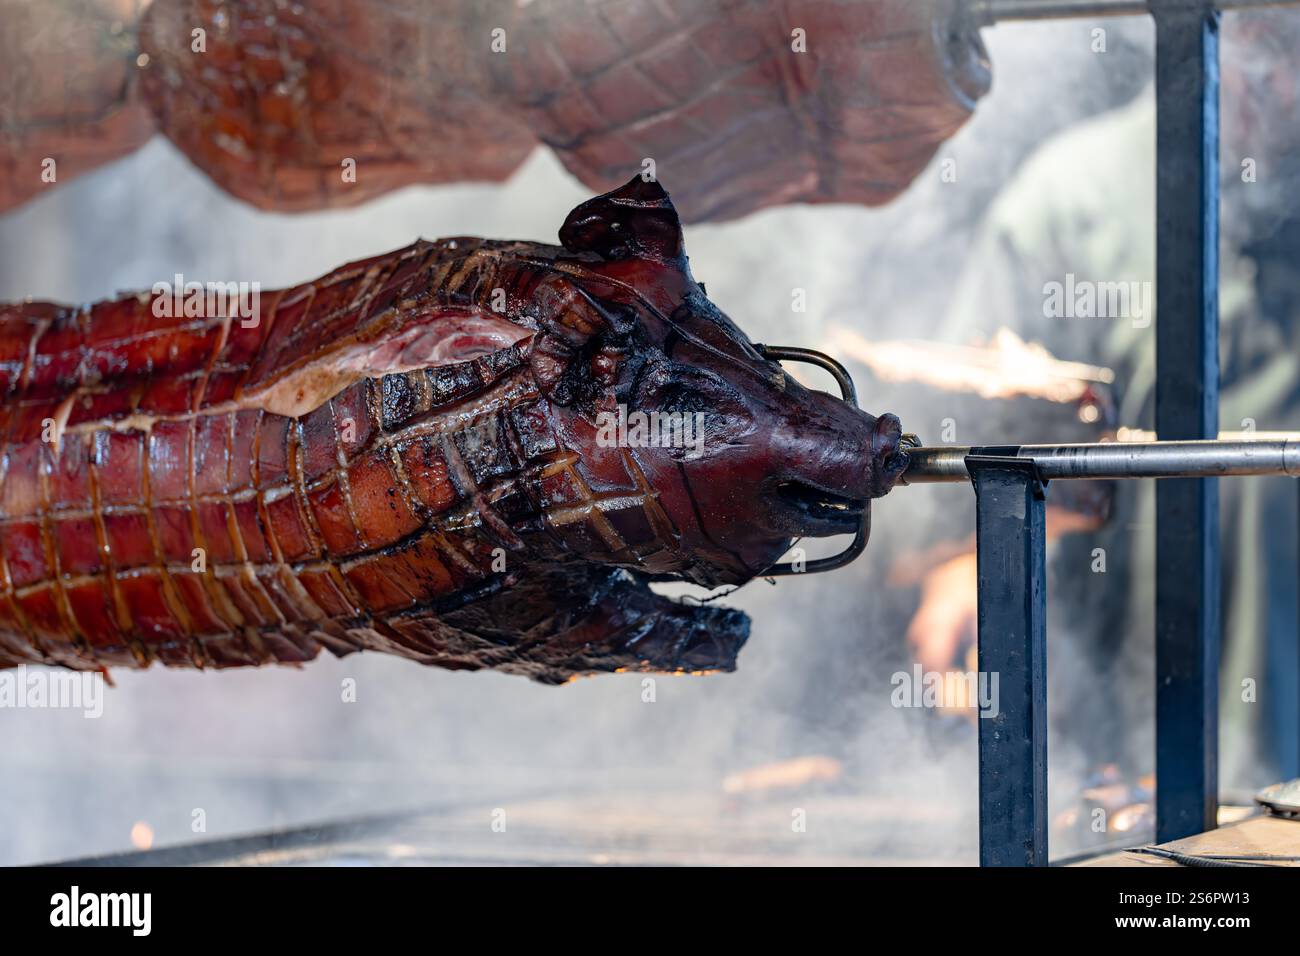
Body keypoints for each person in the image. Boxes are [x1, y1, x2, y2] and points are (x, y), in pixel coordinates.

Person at [910, 9, 1300, 796]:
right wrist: (963, 564)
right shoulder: (1072, 193)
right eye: (1271, 46)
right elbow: (977, 423)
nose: (1285, 86)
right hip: (1118, 660)